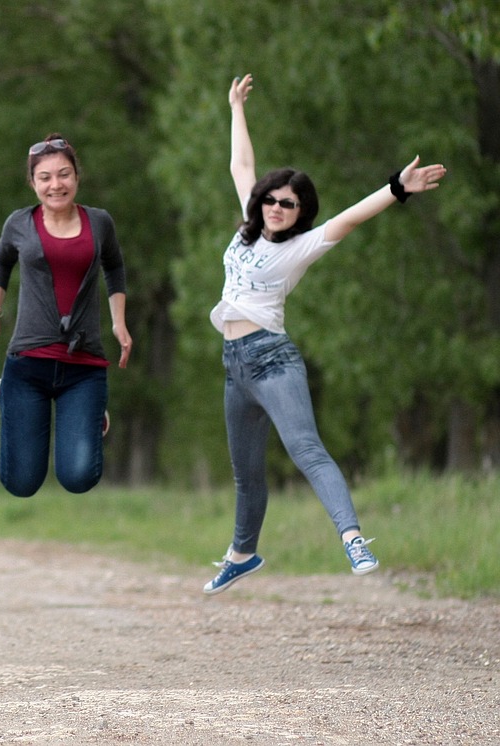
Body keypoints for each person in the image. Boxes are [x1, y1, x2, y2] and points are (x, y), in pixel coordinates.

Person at [202, 75, 446, 594]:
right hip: (234, 367)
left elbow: (349, 220)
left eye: (288, 205)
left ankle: (354, 538)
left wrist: (398, 188)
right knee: (246, 474)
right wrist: (236, 109)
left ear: (300, 214)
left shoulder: (301, 247)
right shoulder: (248, 227)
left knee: (307, 450)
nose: (275, 208)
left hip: (271, 361)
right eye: (271, 199)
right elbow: (240, 165)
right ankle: (242, 554)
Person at [0, 134, 132, 498]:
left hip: (84, 365)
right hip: (28, 361)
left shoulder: (99, 222)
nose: (55, 184)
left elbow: (115, 266)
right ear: (33, 183)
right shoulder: (19, 223)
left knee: (79, 478)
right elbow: (0, 262)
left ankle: (90, 415)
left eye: (64, 174)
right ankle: (9, 390)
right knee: (21, 483)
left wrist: (118, 321)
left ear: (77, 177)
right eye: (44, 177)